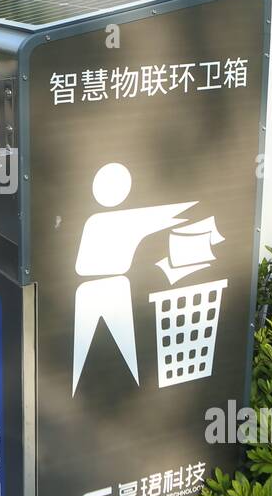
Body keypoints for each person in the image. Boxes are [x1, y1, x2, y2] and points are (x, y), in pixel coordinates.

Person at [72, 162, 193, 395]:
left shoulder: (97, 221)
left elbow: (155, 219)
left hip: (105, 288)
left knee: (122, 345)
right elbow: (155, 219)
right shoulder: (102, 222)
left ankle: (124, 384)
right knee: (89, 347)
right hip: (103, 289)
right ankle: (93, 385)